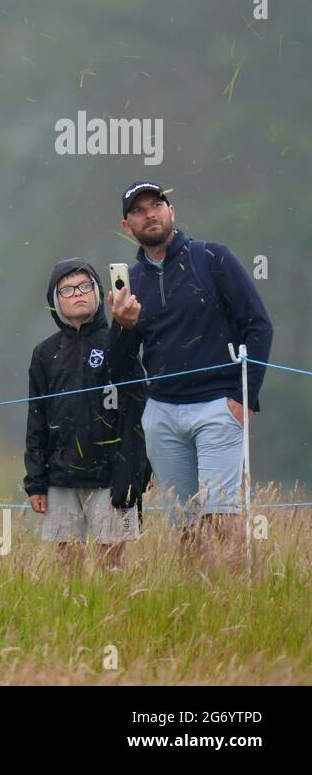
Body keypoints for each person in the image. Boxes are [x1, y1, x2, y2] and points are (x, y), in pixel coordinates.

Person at [107, 181, 273, 555]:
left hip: (218, 405)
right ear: (127, 225)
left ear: (171, 212)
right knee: (185, 523)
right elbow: (118, 369)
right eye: (139, 210)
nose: (150, 213)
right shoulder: (130, 284)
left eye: (157, 204)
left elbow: (258, 325)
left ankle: (239, 604)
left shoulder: (211, 258)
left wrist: (244, 396)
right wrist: (122, 325)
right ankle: (199, 606)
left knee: (222, 515)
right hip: (163, 412)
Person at [24, 260, 142, 567]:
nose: (77, 294)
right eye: (67, 289)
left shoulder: (118, 339)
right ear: (55, 300)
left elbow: (137, 405)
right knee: (67, 564)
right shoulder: (44, 353)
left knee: (112, 562)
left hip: (111, 475)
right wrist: (35, 481)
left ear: (99, 291)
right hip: (60, 477)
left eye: (85, 286)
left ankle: (115, 615)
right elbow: (35, 417)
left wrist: (140, 465)